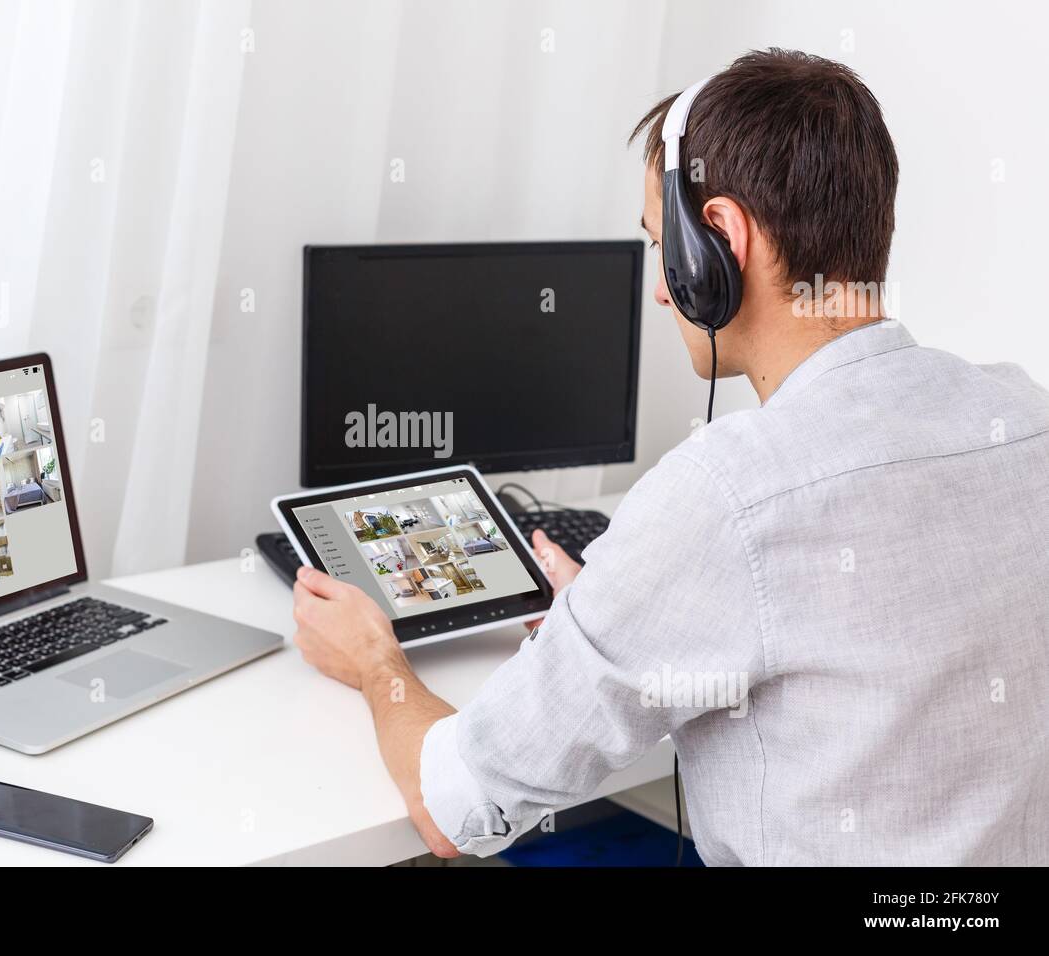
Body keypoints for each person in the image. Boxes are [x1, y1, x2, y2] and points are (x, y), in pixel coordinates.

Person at [289, 48, 1049, 865]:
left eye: (662, 245)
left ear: (719, 238)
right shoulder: (1024, 414)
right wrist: (625, 610)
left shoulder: (728, 493)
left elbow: (459, 811)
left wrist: (377, 664)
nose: (661, 289)